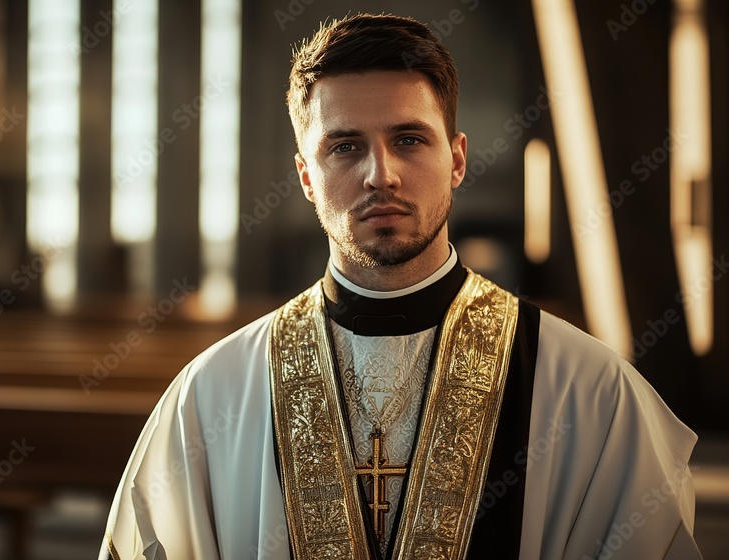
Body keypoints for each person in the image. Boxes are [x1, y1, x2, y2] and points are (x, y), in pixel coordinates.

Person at [100, 13, 700, 560]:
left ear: (457, 159)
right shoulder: (213, 395)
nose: (380, 174)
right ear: (306, 176)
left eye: (409, 140)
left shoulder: (586, 389)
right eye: (345, 146)